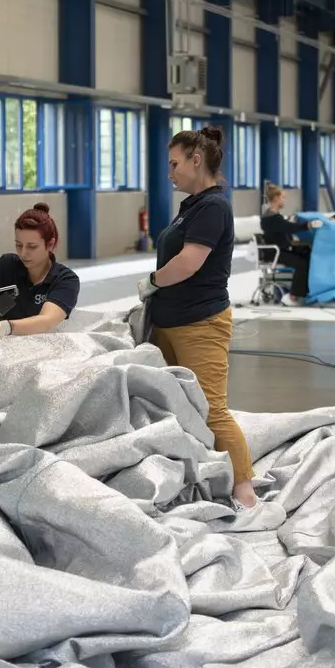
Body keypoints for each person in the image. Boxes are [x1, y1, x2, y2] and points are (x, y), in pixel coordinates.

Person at [135, 125, 258, 510]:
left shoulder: (213, 207)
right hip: (169, 322)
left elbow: (188, 263)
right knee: (174, 408)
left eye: (174, 164)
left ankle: (245, 492)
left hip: (199, 324)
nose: (169, 172)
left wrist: (152, 281)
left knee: (212, 411)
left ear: (196, 159)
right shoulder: (192, 206)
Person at [0, 202, 80, 341]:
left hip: (47, 347)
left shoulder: (65, 280)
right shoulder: (7, 266)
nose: (23, 253)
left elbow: (46, 320)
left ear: (50, 244)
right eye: (19, 245)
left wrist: (5, 327)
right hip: (6, 345)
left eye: (32, 247)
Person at [259, 182, 322, 306]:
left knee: (307, 253)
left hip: (280, 249)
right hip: (275, 253)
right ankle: (294, 295)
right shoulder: (271, 218)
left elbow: (285, 227)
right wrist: (307, 225)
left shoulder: (274, 217)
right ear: (276, 198)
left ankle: (307, 290)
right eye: (283, 197)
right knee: (302, 263)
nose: (284, 200)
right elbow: (289, 228)